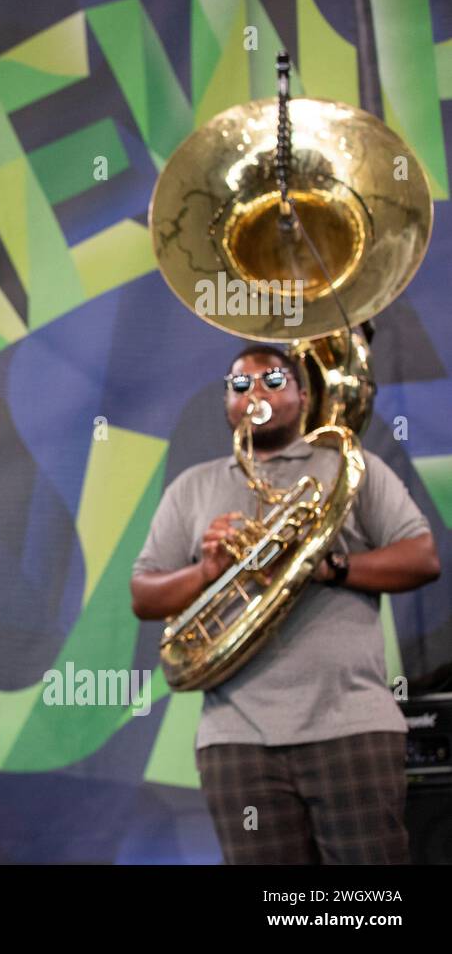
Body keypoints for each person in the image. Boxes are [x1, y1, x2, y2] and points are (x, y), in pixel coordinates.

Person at [131, 344, 441, 864]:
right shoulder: (194, 487)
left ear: (303, 394)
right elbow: (144, 595)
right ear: (227, 402)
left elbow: (423, 557)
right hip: (236, 738)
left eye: (274, 380)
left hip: (351, 726)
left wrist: (325, 565)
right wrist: (208, 571)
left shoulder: (346, 467)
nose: (256, 392)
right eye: (240, 384)